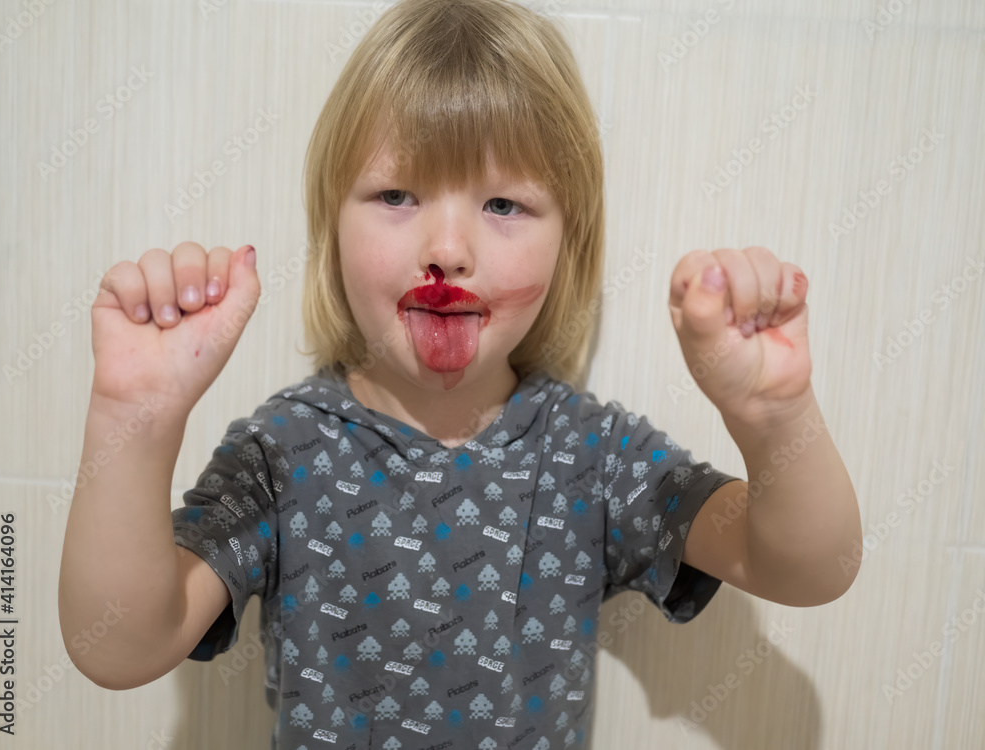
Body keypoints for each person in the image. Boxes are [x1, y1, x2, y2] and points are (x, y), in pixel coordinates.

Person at [58, 0, 862, 747]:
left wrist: (775, 416)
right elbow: (120, 646)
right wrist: (134, 422)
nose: (447, 248)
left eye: (504, 205)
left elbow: (806, 567)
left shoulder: (593, 457)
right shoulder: (284, 454)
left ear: (567, 247)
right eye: (397, 194)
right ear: (329, 227)